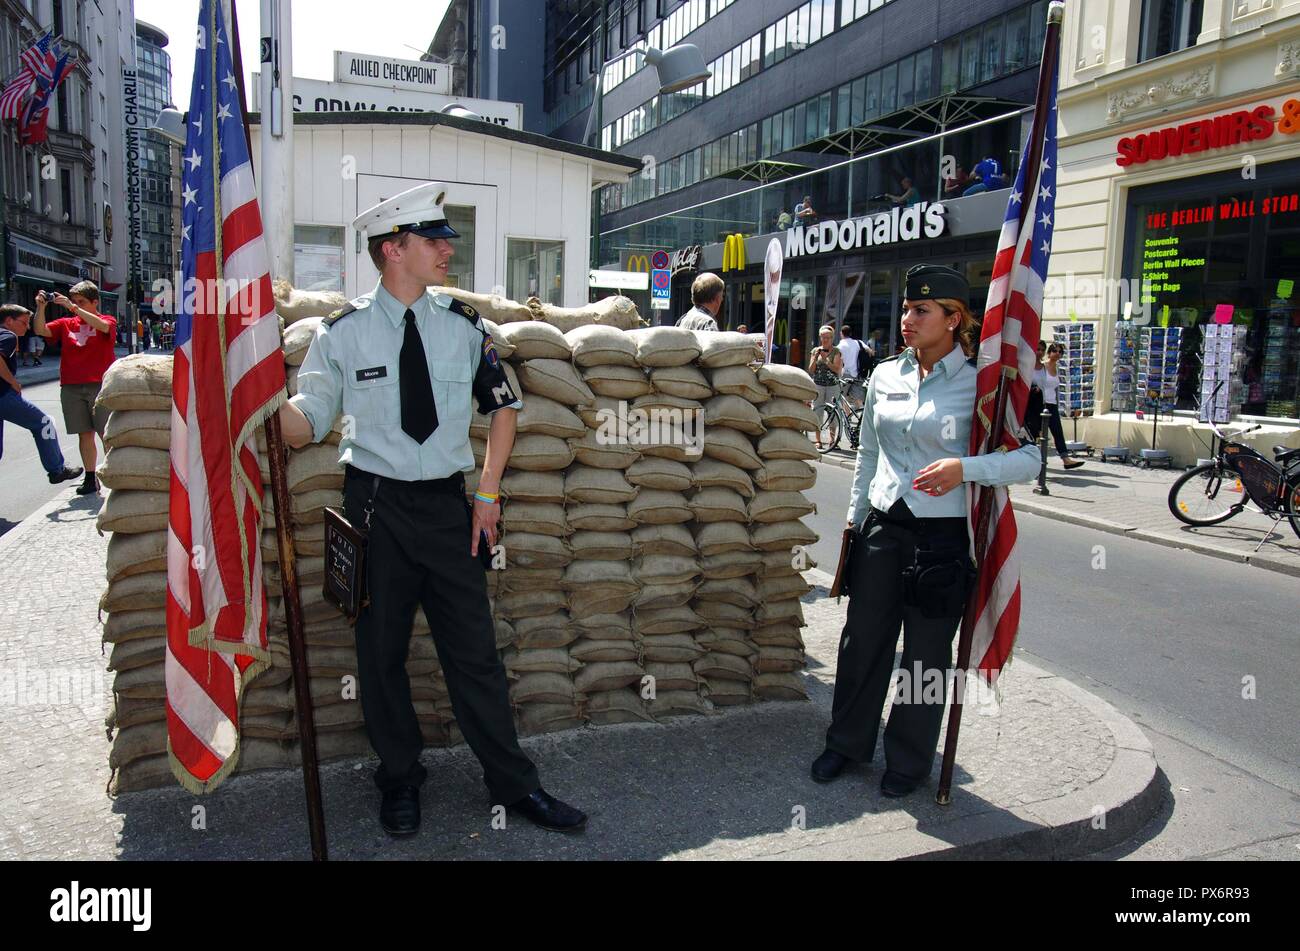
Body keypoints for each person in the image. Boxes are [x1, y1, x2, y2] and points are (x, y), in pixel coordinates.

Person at [276, 180, 586, 837]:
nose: (449, 247)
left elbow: (505, 408)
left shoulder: (463, 326)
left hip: (450, 509)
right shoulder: (342, 334)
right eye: (433, 238)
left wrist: (488, 492)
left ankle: (514, 782)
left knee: (474, 653)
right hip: (374, 509)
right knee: (380, 656)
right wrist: (263, 409)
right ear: (394, 249)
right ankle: (399, 779)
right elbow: (309, 419)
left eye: (446, 237)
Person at [810, 264, 1041, 797]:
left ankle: (909, 762)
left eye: (922, 311)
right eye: (908, 310)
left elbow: (1028, 460)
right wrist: (855, 520)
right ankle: (845, 744)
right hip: (883, 529)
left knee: (926, 655)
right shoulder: (886, 375)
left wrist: (967, 468)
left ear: (953, 318)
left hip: (942, 539)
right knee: (862, 642)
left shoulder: (985, 385)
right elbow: (867, 453)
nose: (907, 320)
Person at [33, 283, 116, 496]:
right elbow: (40, 330)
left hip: (99, 384)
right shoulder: (66, 323)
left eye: (82, 302)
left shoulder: (107, 320)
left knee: (106, 433)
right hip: (71, 385)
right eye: (75, 301)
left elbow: (103, 327)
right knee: (83, 434)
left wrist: (73, 308)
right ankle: (90, 477)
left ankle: (115, 473)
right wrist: (41, 308)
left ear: (95, 302)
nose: (77, 305)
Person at [0, 304, 83, 485]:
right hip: (4, 396)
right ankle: (57, 470)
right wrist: (12, 382)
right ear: (8, 321)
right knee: (43, 422)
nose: (27, 327)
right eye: (24, 322)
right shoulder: (8, 335)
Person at [1033, 342, 1085, 469]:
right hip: (1040, 403)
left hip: (1052, 403)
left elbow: (1057, 389)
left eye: (1060, 352)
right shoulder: (1042, 366)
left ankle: (1065, 459)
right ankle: (1033, 460)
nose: (1058, 354)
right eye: (1055, 351)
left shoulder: (1058, 369)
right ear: (1049, 352)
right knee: (1036, 433)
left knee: (1057, 431)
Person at [808, 324, 842, 450]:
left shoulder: (836, 351)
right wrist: (816, 357)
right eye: (823, 337)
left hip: (832, 385)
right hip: (818, 385)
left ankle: (833, 440)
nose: (825, 340)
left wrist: (826, 359)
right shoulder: (815, 350)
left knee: (833, 413)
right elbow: (811, 370)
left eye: (827, 337)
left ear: (832, 338)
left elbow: (837, 369)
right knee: (818, 412)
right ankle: (818, 440)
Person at [837, 324, 870, 410]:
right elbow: (869, 351)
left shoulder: (839, 346)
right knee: (857, 398)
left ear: (841, 333)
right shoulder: (858, 342)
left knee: (843, 397)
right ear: (850, 333)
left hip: (845, 374)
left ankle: (847, 419)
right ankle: (861, 417)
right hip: (858, 374)